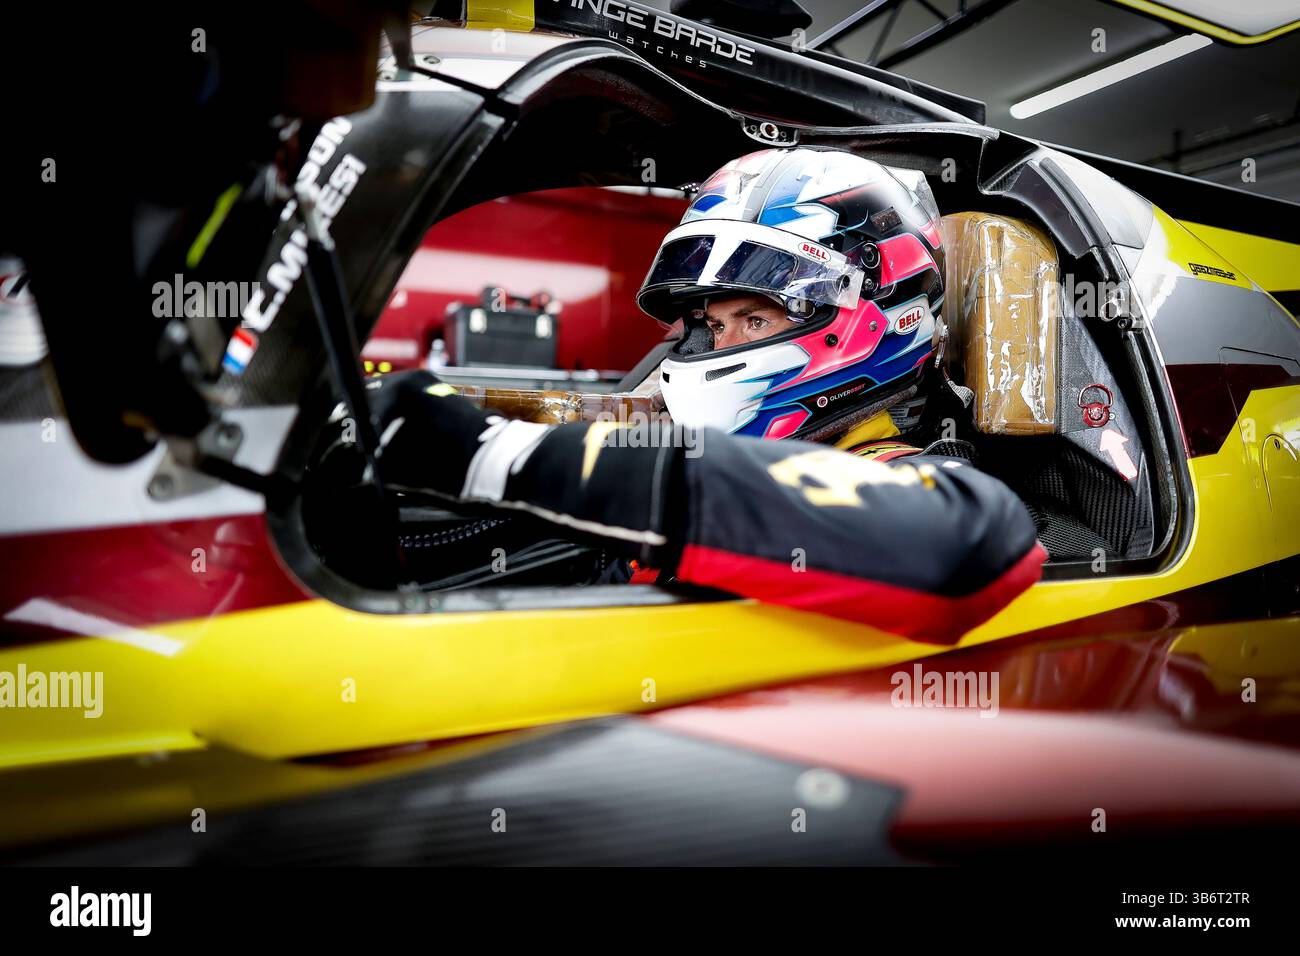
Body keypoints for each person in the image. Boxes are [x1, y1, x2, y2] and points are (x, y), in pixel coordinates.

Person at [366, 148, 1045, 644]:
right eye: (713, 325)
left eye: (755, 319)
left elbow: (964, 547)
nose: (721, 348)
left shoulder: (908, 475)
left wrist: (513, 458)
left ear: (875, 311)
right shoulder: (725, 459)